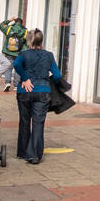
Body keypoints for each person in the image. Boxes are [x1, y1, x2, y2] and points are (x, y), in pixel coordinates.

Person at [13, 29, 62, 165]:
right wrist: (49, 83)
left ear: (29, 40)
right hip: (43, 91)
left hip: (25, 91)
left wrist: (25, 78)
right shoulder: (49, 55)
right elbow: (57, 75)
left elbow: (16, 64)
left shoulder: (24, 54)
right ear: (41, 40)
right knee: (38, 122)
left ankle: (22, 152)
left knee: (24, 120)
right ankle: (34, 155)